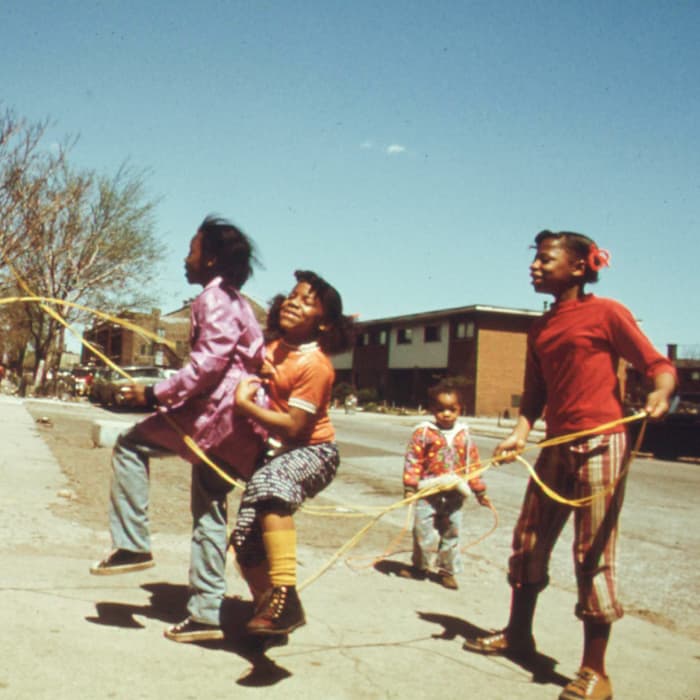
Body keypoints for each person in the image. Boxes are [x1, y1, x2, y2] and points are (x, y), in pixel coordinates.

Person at [463, 231, 676, 700]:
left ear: (579, 267)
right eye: (534, 260)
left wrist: (661, 393)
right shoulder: (539, 329)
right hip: (556, 443)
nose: (534, 267)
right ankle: (519, 635)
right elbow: (534, 394)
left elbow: (657, 364)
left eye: (545, 259)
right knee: (527, 541)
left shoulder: (608, 313)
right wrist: (521, 432)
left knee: (592, 552)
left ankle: (595, 671)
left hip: (603, 442)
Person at [90, 215, 266, 644]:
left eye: (191, 250)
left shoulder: (214, 299)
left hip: (216, 414)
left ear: (210, 260)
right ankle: (206, 612)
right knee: (209, 508)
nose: (184, 259)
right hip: (239, 419)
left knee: (131, 445)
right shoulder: (239, 302)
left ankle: (132, 543)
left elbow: (209, 366)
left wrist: (154, 393)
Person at [230, 269, 354, 637]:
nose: (293, 303)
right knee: (246, 543)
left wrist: (245, 406)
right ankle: (267, 613)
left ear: (325, 325)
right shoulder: (270, 348)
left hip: (314, 451)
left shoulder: (315, 365)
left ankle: (285, 595)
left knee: (271, 486)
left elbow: (296, 427)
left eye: (307, 302)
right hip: (278, 453)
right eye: (293, 295)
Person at [400, 378, 490, 589]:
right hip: (429, 491)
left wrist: (479, 491)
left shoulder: (464, 435)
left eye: (452, 409)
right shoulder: (423, 432)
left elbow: (473, 464)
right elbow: (413, 459)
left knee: (451, 532)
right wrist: (410, 487)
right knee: (422, 530)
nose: (446, 414)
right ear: (432, 409)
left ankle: (447, 571)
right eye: (441, 409)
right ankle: (420, 567)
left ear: (460, 410)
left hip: (454, 493)